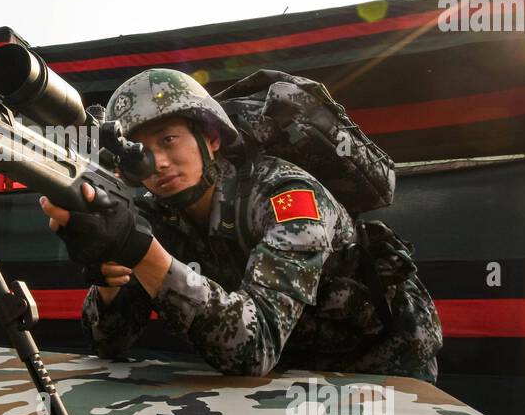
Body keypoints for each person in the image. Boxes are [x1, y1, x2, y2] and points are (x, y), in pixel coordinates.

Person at [39, 69, 441, 382]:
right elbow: (108, 343)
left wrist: (141, 250)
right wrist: (111, 275)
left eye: (169, 140)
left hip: (382, 371)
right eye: (140, 151)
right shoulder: (158, 218)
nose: (158, 162)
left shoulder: (286, 197)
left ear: (210, 138)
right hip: (285, 376)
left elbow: (255, 348)